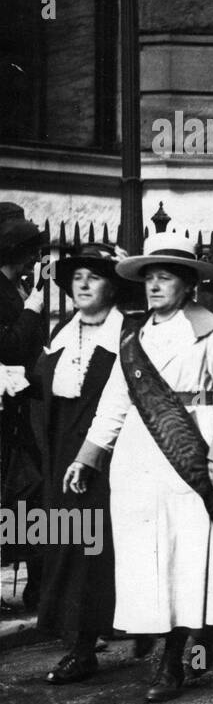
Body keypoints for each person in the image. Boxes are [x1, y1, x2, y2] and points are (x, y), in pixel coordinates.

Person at [65, 233, 213, 702]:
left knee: (183, 559)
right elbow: (114, 401)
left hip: (187, 454)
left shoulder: (212, 332)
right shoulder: (133, 335)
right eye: (148, 277)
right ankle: (159, 642)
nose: (153, 286)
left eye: (164, 277)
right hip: (135, 459)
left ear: (187, 284)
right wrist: (87, 456)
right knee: (143, 561)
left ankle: (174, 659)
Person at [30, 245, 136, 683]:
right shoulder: (62, 333)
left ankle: (83, 645)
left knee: (92, 549)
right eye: (77, 278)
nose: (84, 284)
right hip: (59, 452)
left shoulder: (128, 334)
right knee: (64, 542)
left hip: (107, 453)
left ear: (112, 285)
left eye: (94, 276)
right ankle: (80, 636)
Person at [0, 203, 48, 613]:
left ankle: (37, 583)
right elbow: (10, 348)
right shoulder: (10, 294)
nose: (35, 256)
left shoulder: (19, 289)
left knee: (31, 492)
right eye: (28, 248)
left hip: (25, 410)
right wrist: (33, 310)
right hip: (6, 413)